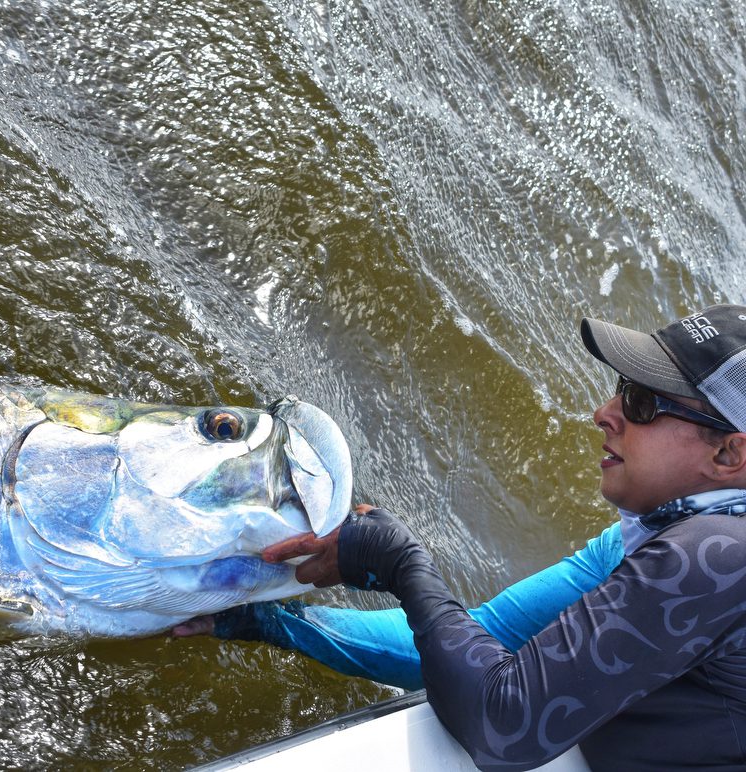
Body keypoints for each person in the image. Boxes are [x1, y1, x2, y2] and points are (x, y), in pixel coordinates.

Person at [175, 304, 746, 771]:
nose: (604, 412)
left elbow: (503, 725)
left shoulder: (713, 557)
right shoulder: (657, 535)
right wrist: (257, 620)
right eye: (622, 387)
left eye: (643, 403)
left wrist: (403, 567)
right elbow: (486, 636)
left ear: (729, 453)